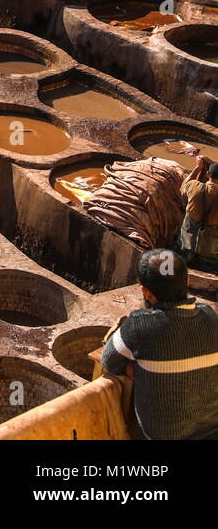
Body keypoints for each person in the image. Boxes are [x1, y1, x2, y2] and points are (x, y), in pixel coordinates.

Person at [101, 248, 218, 439]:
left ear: (145, 292)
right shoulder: (211, 317)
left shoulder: (139, 325)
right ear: (187, 282)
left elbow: (108, 360)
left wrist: (136, 367)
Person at [178, 155, 218, 272]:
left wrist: (197, 168)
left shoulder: (194, 186)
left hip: (186, 247)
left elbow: (183, 187)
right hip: (210, 255)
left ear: (207, 175)